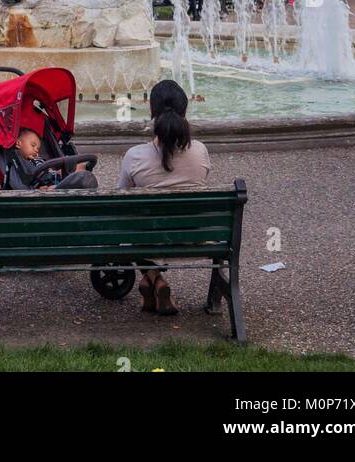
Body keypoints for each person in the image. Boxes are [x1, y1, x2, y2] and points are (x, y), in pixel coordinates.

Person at [118, 79, 210, 316]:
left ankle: (154, 279)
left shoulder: (135, 156)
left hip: (150, 235)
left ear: (151, 112)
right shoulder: (200, 151)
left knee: (131, 225)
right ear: (185, 112)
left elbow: (121, 201)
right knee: (143, 225)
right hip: (192, 234)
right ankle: (155, 282)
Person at [13, 127, 96, 189]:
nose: (36, 150)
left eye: (38, 149)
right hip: (45, 183)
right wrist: (37, 189)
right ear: (18, 143)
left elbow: (49, 168)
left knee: (80, 165)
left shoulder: (38, 159)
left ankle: (81, 174)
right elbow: (28, 182)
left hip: (54, 176)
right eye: (33, 145)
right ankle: (62, 187)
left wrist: (58, 171)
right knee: (50, 188)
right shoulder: (20, 163)